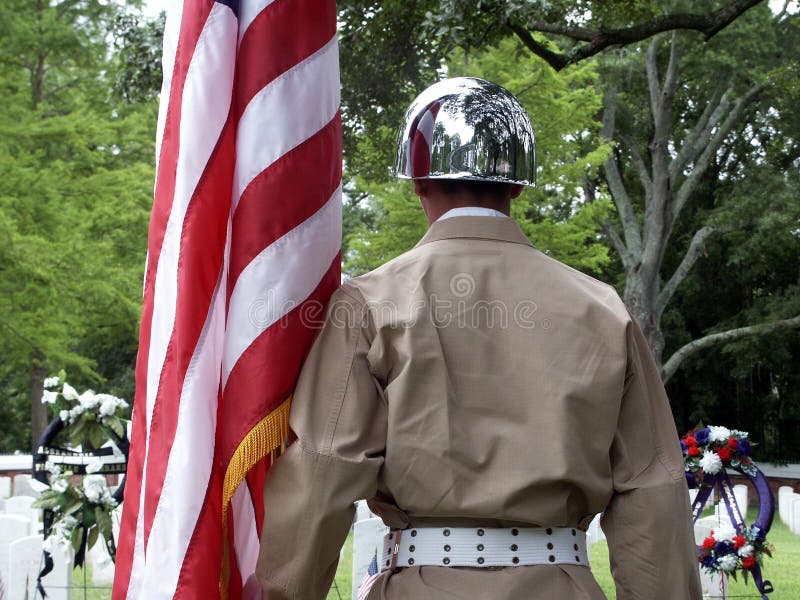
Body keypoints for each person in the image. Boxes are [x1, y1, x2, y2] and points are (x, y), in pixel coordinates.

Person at [256, 77, 702, 599]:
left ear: (418, 181)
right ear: (517, 185)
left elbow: (323, 473)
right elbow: (651, 487)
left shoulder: (369, 304)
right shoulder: (602, 308)